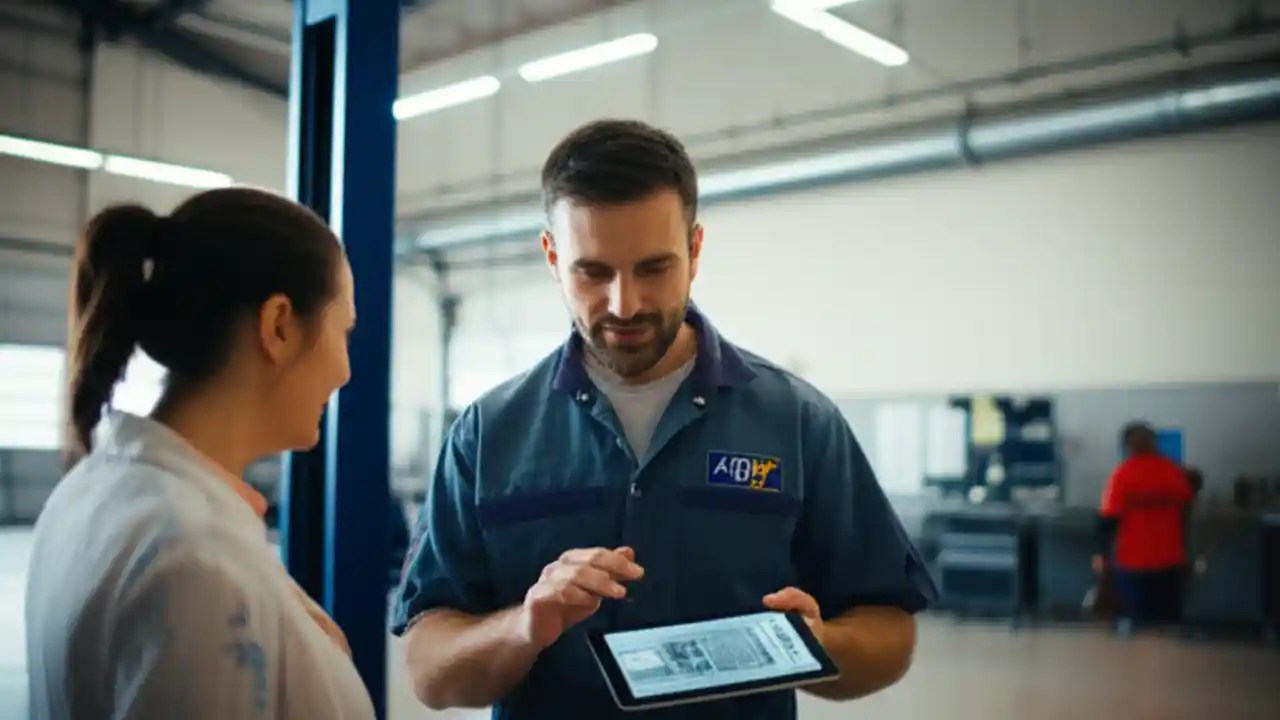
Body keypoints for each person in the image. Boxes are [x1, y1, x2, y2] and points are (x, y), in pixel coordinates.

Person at [392, 119, 936, 719]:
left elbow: (889, 631)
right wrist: (526, 625)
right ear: (552, 255)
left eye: (654, 268)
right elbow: (428, 670)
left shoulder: (800, 424)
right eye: (592, 272)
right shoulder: (487, 434)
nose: (625, 304)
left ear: (695, 250)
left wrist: (817, 646)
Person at [25, 188, 374, 719]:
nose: (346, 371)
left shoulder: (98, 490)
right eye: (343, 331)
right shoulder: (197, 563)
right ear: (278, 326)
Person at [1094, 421, 1194, 629]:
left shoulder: (1122, 475)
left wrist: (1102, 556)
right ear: (1154, 443)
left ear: (1127, 446)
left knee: (1137, 623)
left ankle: (1139, 660)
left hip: (1133, 563)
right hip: (1170, 559)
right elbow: (1186, 508)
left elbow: (1108, 520)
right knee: (1169, 621)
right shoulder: (1172, 471)